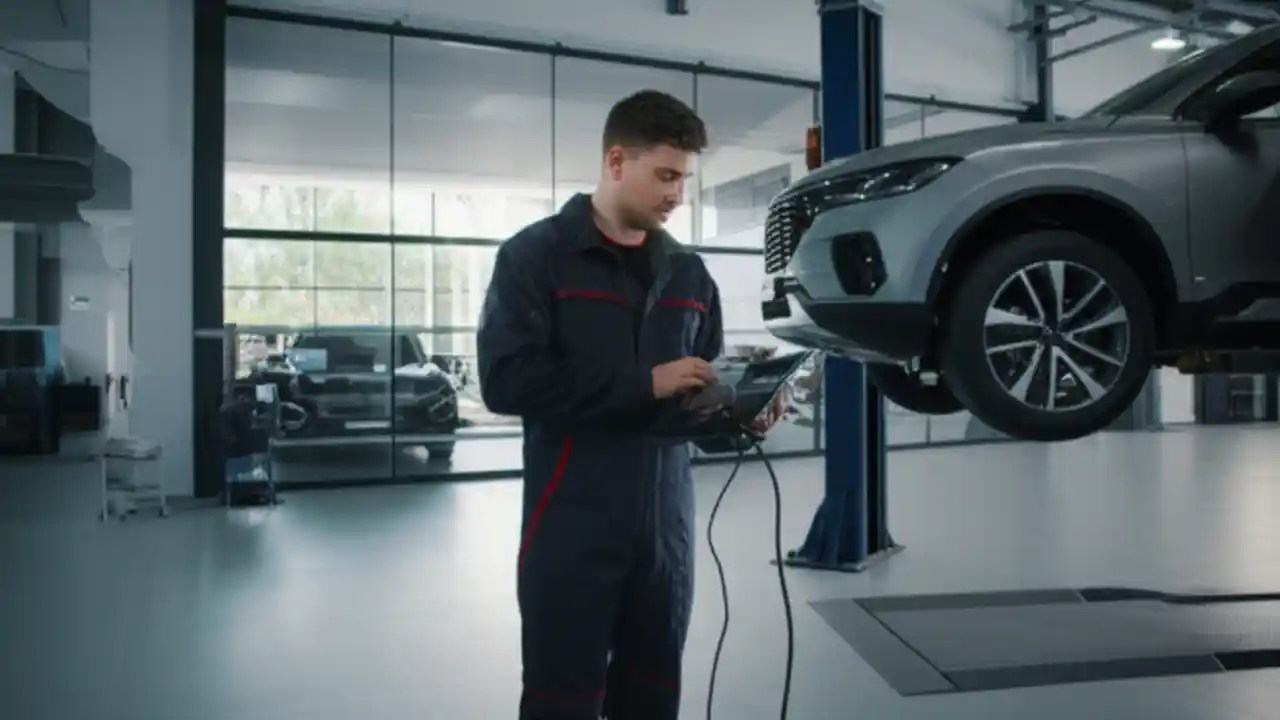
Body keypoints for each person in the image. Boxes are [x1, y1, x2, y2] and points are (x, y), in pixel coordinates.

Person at [477, 89, 783, 720]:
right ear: (616, 161)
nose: (678, 195)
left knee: (653, 698)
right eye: (666, 176)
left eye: (685, 179)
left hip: (666, 533)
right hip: (570, 526)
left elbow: (694, 398)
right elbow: (506, 381)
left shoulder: (689, 275)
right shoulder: (535, 258)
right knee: (562, 700)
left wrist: (739, 416)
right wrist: (644, 384)